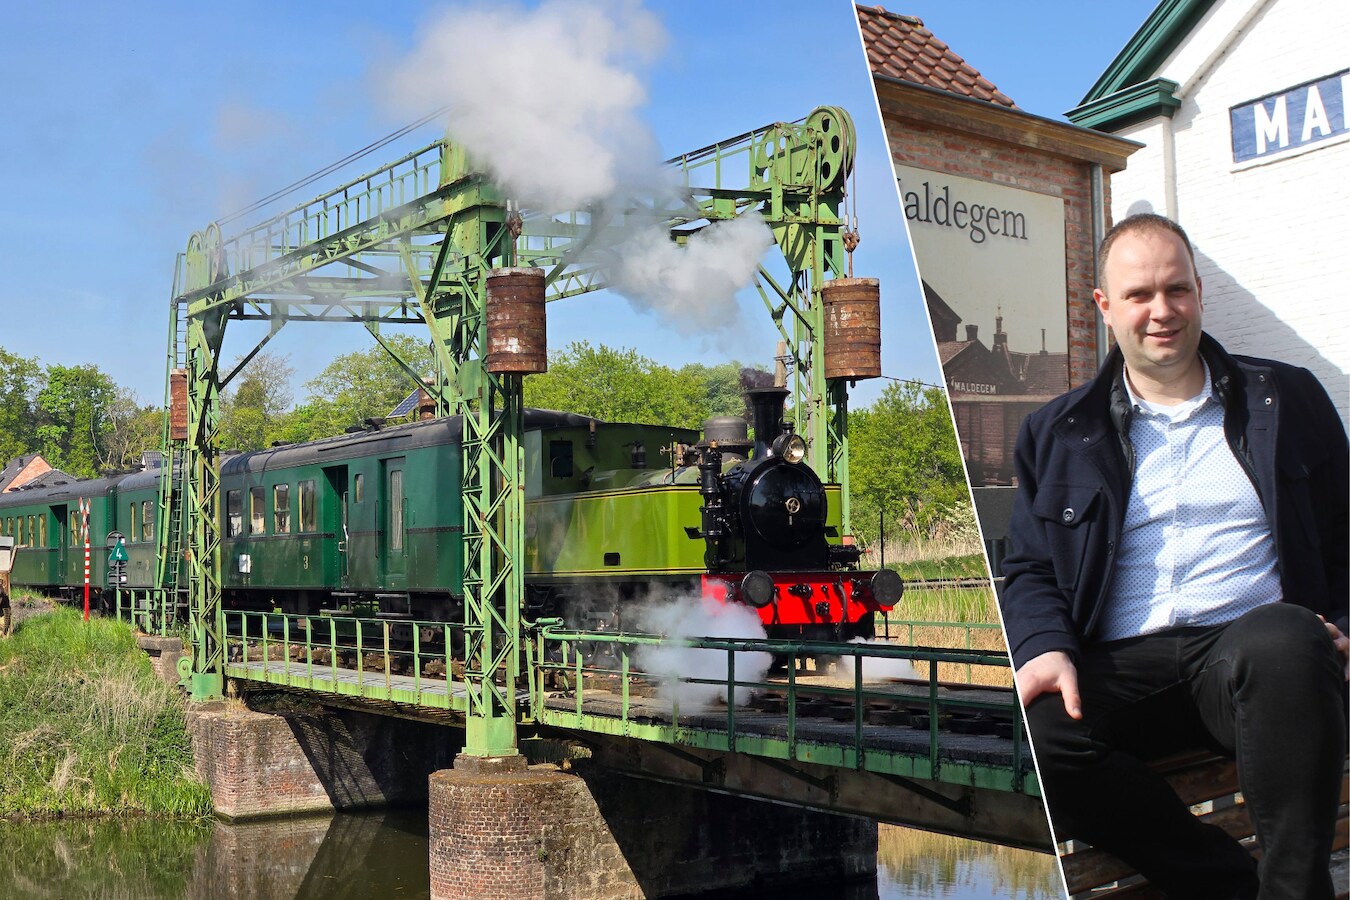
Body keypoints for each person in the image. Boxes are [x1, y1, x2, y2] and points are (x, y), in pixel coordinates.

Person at [1000, 213, 1348, 899]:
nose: (1162, 311)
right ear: (1105, 307)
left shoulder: (1286, 397)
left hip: (1254, 660)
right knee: (1035, 737)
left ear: (1198, 294)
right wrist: (1043, 645)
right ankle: (1229, 885)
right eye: (1139, 295)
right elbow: (1031, 566)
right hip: (1126, 665)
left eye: (1177, 290)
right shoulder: (1057, 432)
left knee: (1285, 636)